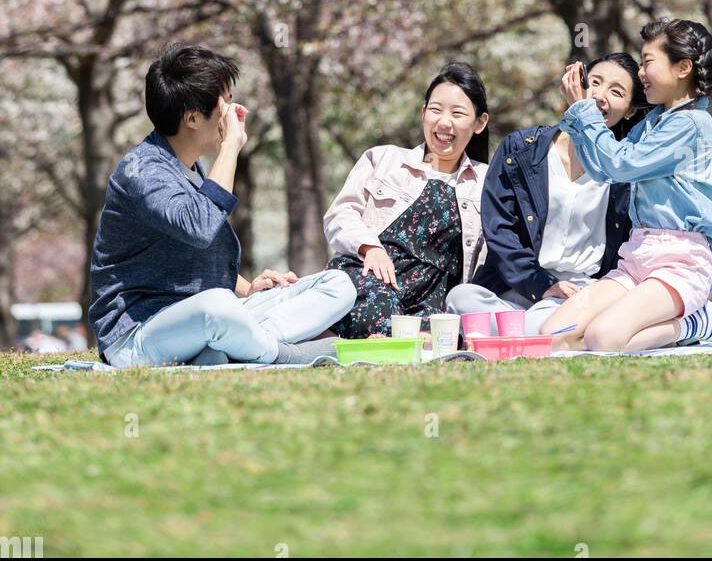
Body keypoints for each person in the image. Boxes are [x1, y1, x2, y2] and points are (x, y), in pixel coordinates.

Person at [89, 43, 356, 367]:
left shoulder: (191, 167)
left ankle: (235, 346)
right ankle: (279, 353)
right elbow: (200, 227)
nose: (234, 113)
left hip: (201, 318)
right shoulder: (142, 170)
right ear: (191, 118)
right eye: (225, 104)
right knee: (217, 307)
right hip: (136, 335)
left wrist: (249, 289)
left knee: (338, 285)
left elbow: (196, 256)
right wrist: (230, 145)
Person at [541, 18, 712, 352]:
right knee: (553, 335)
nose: (641, 73)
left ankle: (694, 322)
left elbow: (622, 165)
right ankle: (683, 320)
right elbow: (605, 170)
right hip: (638, 255)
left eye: (648, 62)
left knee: (602, 338)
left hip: (680, 260)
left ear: (683, 68)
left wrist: (582, 109)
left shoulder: (692, 124)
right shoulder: (652, 123)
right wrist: (580, 115)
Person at [446, 53, 644, 334]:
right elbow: (500, 231)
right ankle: (540, 333)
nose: (600, 96)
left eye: (616, 92)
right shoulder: (520, 150)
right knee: (461, 298)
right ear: (577, 82)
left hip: (581, 294)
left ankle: (528, 333)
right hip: (519, 287)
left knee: (551, 322)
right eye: (595, 82)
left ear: (629, 111)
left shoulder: (625, 171)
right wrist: (542, 285)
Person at [323, 62, 488, 336]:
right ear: (423, 113)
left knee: (443, 335)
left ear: (480, 123)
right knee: (381, 314)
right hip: (369, 275)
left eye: (458, 113)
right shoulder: (383, 159)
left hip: (432, 297)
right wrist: (369, 248)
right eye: (435, 110)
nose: (444, 122)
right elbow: (340, 214)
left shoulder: (486, 182)